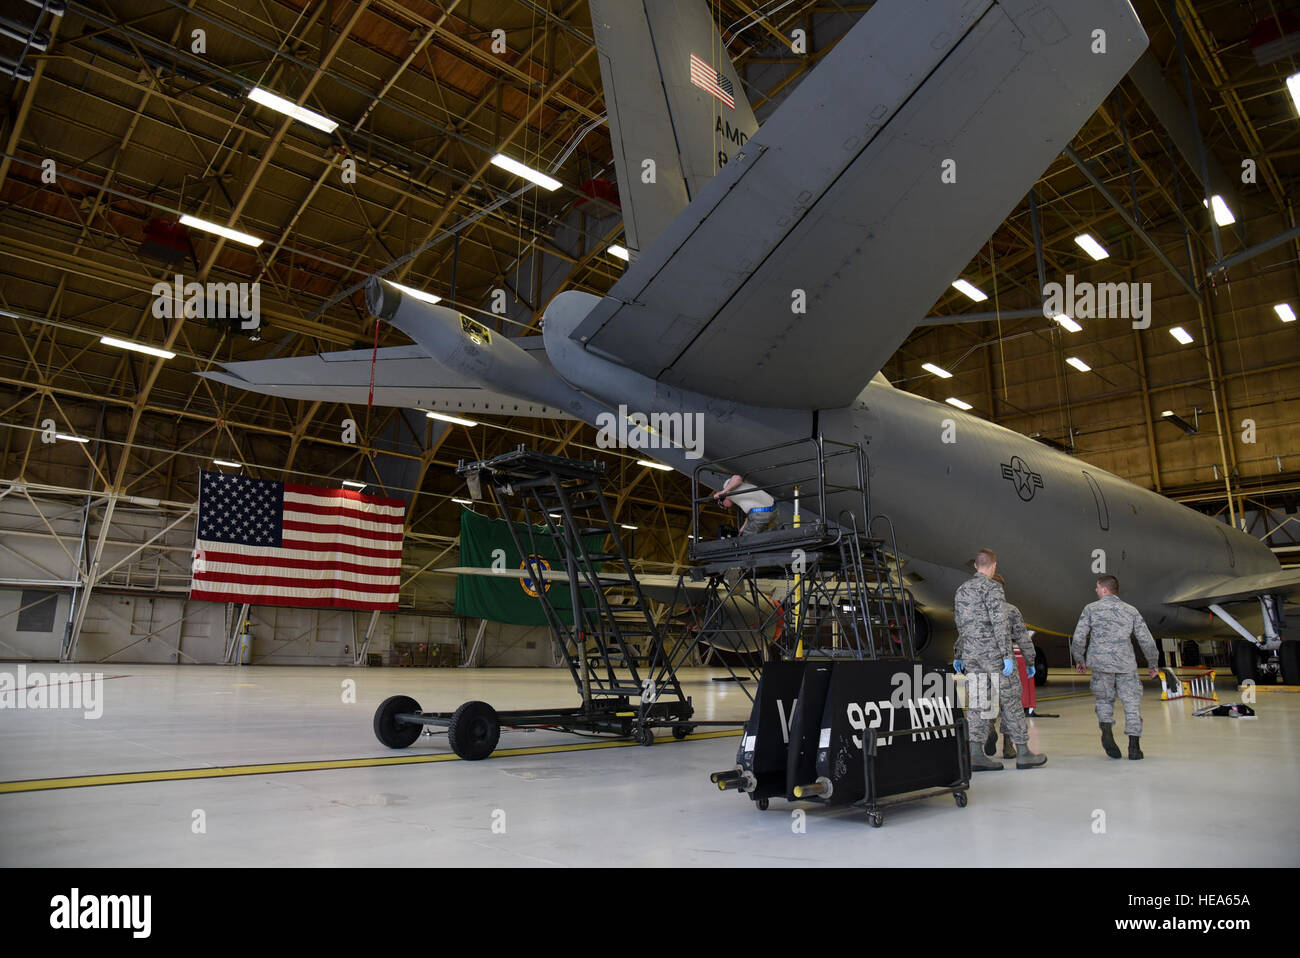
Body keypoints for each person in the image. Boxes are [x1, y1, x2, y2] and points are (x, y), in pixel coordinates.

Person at [953, 549, 1046, 770]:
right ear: (993, 565)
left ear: (976, 566)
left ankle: (975, 753)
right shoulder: (993, 588)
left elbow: (961, 625)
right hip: (994, 655)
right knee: (1011, 701)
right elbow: (1000, 623)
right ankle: (1023, 752)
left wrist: (959, 653)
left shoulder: (961, 590)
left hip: (972, 655)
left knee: (977, 702)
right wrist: (1007, 656)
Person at [1070, 574, 1160, 760]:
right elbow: (1146, 640)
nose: (1095, 590)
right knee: (1132, 704)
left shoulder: (1091, 609)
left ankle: (1107, 734)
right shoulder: (1130, 610)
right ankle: (1134, 747)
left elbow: (1078, 637)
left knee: (1104, 700)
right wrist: (1153, 664)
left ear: (1104, 589)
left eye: (1097, 587)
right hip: (1125, 664)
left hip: (1100, 664)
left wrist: (1079, 659)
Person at [983, 573, 1038, 760]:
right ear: (1002, 589)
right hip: (1005, 662)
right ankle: (1008, 746)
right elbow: (1023, 638)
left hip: (981, 661)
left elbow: (964, 635)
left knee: (985, 699)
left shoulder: (976, 609)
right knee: (1010, 703)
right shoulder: (1011, 610)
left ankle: (989, 728)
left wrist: (959, 656)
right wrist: (1030, 660)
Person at [712, 474, 777, 535]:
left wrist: (723, 492)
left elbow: (737, 478)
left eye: (724, 506)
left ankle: (782, 530)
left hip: (762, 513)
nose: (727, 507)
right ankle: (780, 530)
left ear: (722, 501)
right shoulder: (739, 500)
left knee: (747, 537)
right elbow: (748, 516)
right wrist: (741, 529)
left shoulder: (727, 488)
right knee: (759, 533)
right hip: (772, 510)